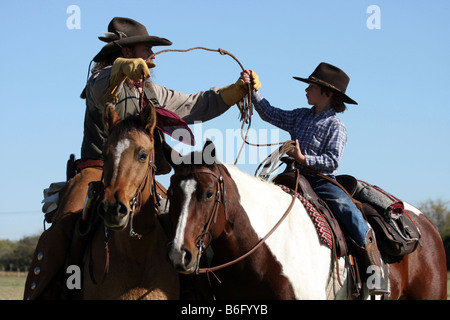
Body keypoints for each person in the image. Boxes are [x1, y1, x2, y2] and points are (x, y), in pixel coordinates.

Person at [24, 17, 260, 300]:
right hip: (96, 171)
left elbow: (194, 104)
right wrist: (120, 70)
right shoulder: (102, 82)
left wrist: (234, 92)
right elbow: (101, 90)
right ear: (126, 52)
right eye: (146, 49)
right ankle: (47, 292)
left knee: (183, 220)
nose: (152, 57)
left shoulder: (150, 92)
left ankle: (195, 292)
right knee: (64, 228)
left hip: (141, 174)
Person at [241, 62, 387, 295]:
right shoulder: (300, 116)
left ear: (327, 94)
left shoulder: (336, 125)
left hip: (321, 180)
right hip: (293, 175)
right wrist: (252, 91)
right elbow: (270, 113)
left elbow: (333, 161)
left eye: (311, 86)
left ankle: (374, 271)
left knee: (348, 211)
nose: (306, 90)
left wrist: (302, 157)